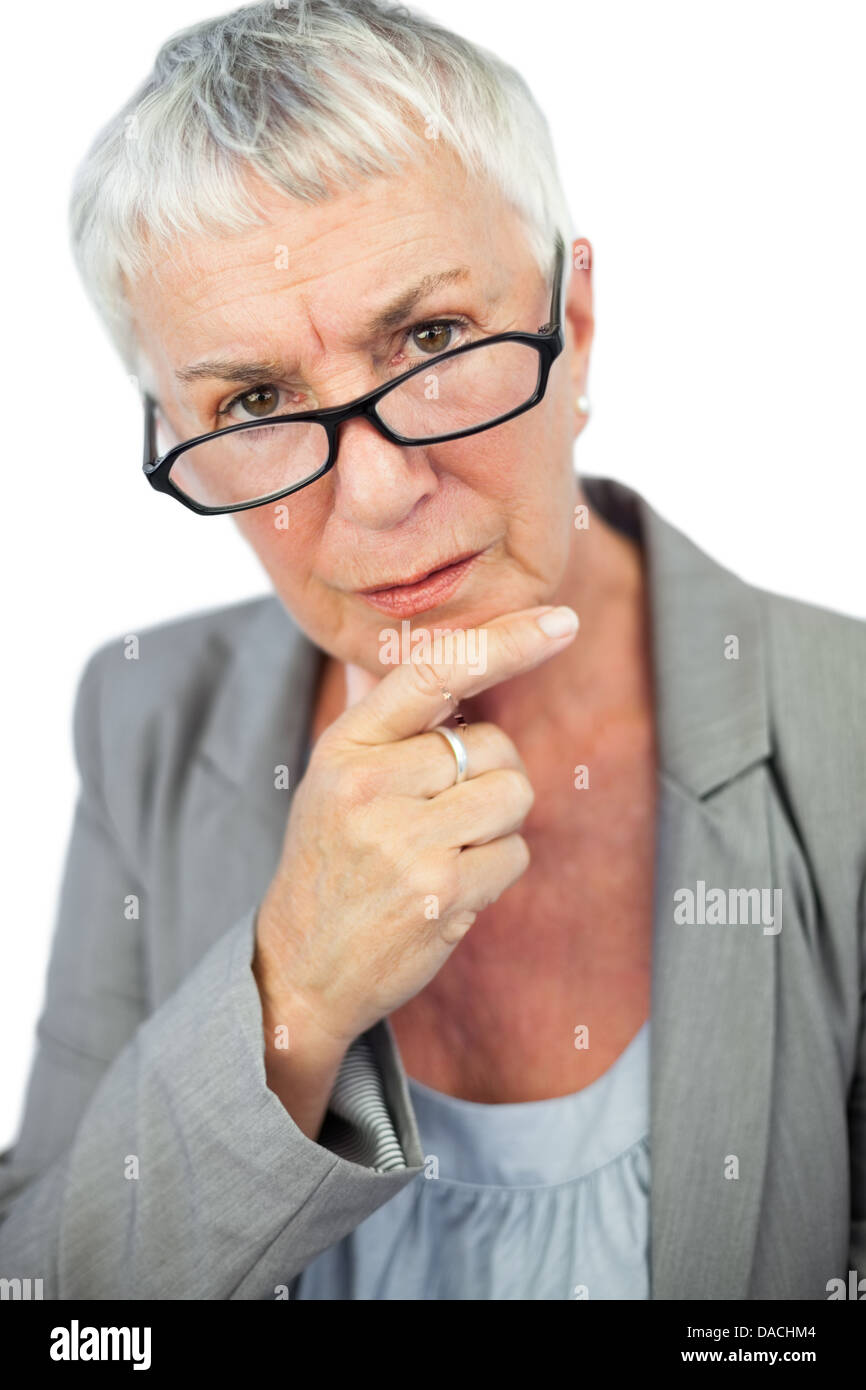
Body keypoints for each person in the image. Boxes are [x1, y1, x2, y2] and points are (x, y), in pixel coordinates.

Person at [0, 0, 863, 1301]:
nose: (379, 491)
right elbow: (49, 1303)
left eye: (433, 338)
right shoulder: (150, 723)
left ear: (572, 325)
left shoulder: (843, 725)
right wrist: (287, 993)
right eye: (255, 401)